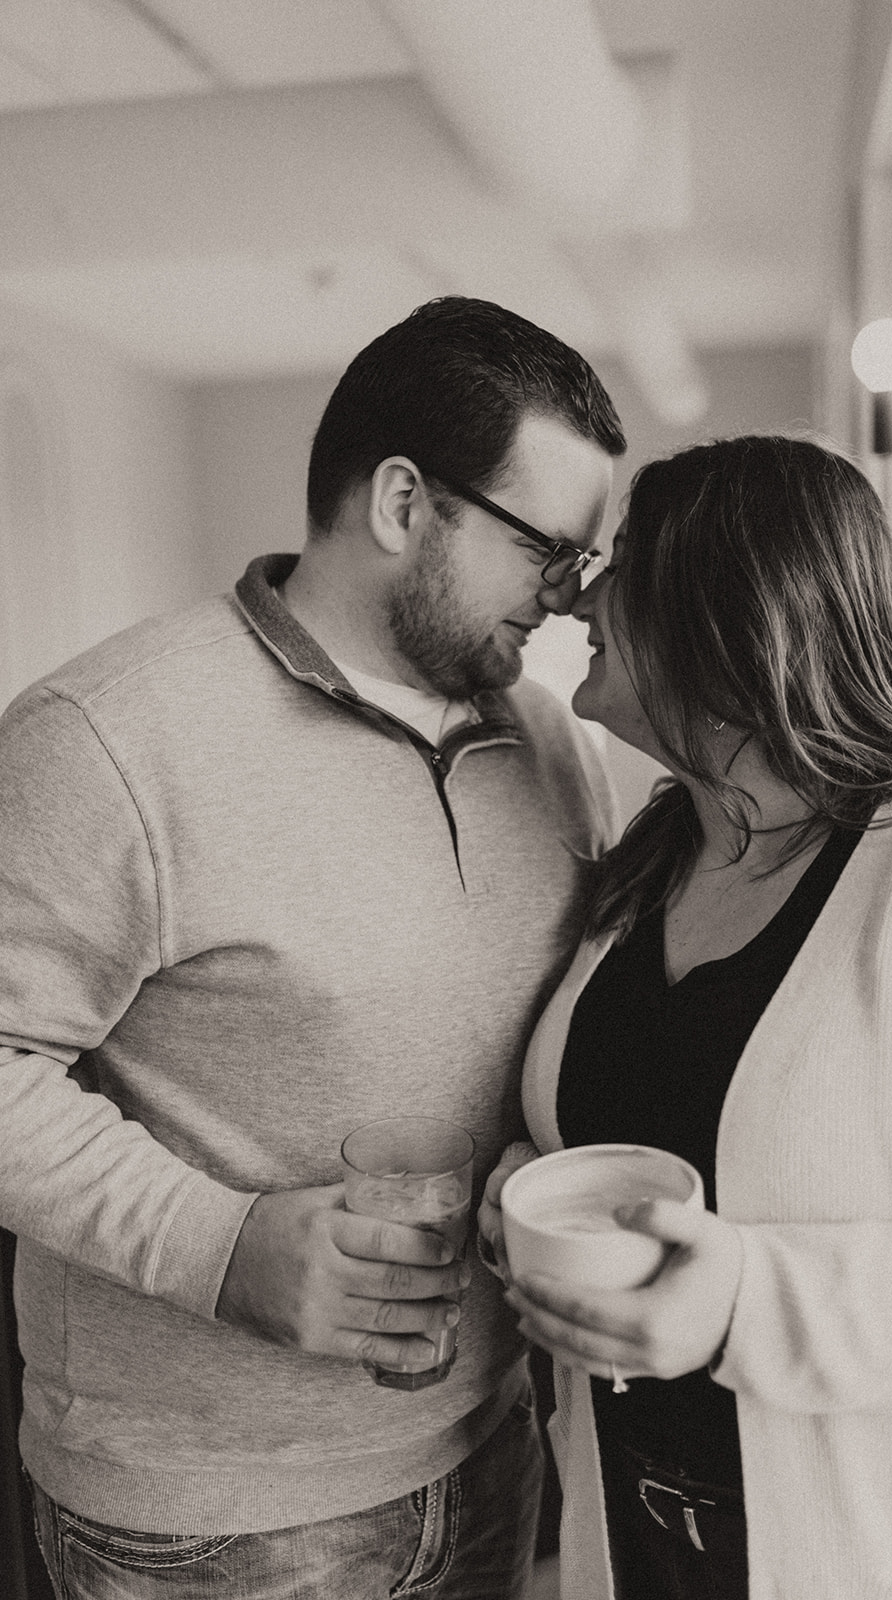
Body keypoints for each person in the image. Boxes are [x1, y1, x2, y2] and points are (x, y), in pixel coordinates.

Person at [0, 296, 626, 1599]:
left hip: (487, 1452)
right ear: (403, 503)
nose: (568, 608)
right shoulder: (109, 737)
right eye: (544, 553)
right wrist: (217, 1246)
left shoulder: (551, 744)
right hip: (210, 1523)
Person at [479, 434, 892, 1600]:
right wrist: (524, 1195)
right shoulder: (648, 864)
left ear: (726, 608)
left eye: (625, 561)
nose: (578, 592)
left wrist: (747, 1300)